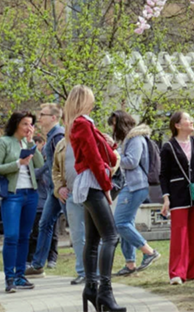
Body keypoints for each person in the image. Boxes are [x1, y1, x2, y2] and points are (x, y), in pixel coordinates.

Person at [66, 85, 124, 312]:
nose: (94, 100)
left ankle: (92, 288)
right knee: (111, 236)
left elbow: (107, 155)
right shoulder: (82, 123)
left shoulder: (85, 124)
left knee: (93, 240)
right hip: (92, 183)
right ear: (84, 100)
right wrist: (106, 186)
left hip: (91, 183)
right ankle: (105, 293)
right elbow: (92, 158)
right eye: (91, 97)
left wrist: (108, 145)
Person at [0, 111, 45, 293]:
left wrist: (32, 143)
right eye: (25, 124)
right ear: (16, 123)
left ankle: (20, 276)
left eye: (31, 124)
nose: (28, 128)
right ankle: (9, 278)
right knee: (11, 236)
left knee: (25, 236)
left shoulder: (28, 142)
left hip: (30, 195)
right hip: (13, 195)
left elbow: (40, 164)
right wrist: (18, 163)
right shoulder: (4, 142)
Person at [109, 110, 161, 276]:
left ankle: (149, 252)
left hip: (135, 185)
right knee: (126, 224)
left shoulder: (135, 138)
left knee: (120, 223)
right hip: (132, 185)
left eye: (114, 125)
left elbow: (131, 162)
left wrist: (115, 157)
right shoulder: (131, 139)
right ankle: (130, 264)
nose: (113, 129)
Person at [159, 111, 194, 285]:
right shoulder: (168, 147)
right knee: (179, 234)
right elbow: (163, 175)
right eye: (187, 119)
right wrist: (166, 198)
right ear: (177, 125)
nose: (191, 121)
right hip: (178, 194)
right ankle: (176, 273)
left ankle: (193, 271)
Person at [26, 104, 65, 276]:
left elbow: (59, 163)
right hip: (53, 190)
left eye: (42, 114)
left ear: (54, 118)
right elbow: (49, 165)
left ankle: (85, 268)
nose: (39, 118)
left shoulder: (58, 136)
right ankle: (38, 264)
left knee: (79, 225)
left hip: (61, 189)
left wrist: (62, 185)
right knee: (45, 224)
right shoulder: (51, 136)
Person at [52, 134, 88, 285]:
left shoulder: (94, 136)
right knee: (77, 235)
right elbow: (55, 170)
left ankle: (97, 272)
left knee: (95, 234)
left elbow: (114, 159)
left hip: (91, 193)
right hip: (72, 196)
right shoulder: (61, 144)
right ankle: (82, 272)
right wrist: (59, 187)